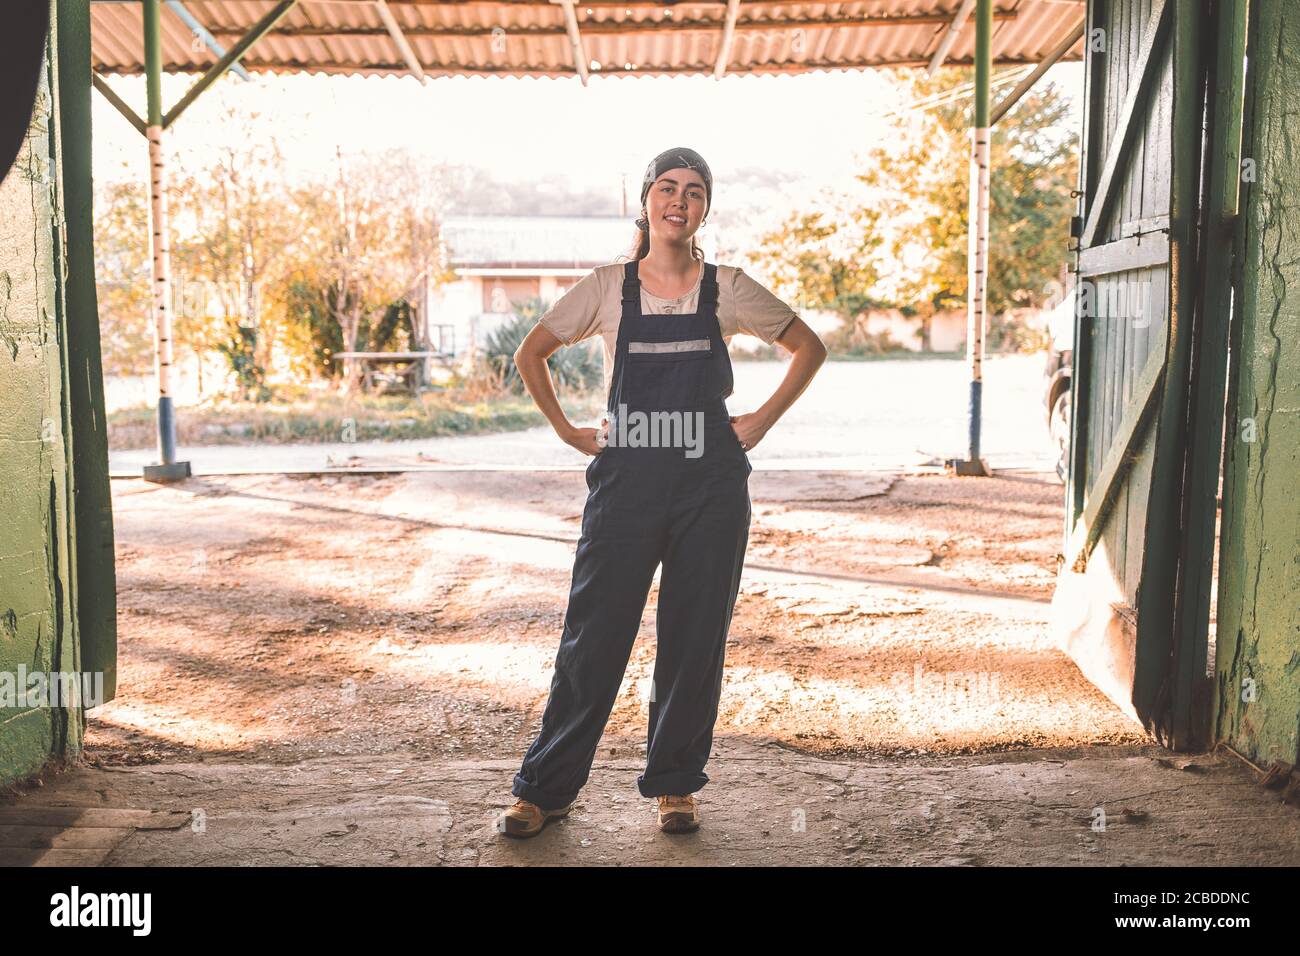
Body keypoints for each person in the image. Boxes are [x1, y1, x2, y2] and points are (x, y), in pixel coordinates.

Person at [497, 147, 826, 838]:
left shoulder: (728, 288)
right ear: (646, 200)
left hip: (710, 482)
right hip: (628, 481)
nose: (680, 201)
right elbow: (531, 353)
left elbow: (809, 346)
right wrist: (566, 431)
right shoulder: (606, 287)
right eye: (669, 188)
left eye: (695, 191)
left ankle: (676, 785)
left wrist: (760, 421)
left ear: (705, 208)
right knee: (594, 634)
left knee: (694, 634)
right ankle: (544, 790)